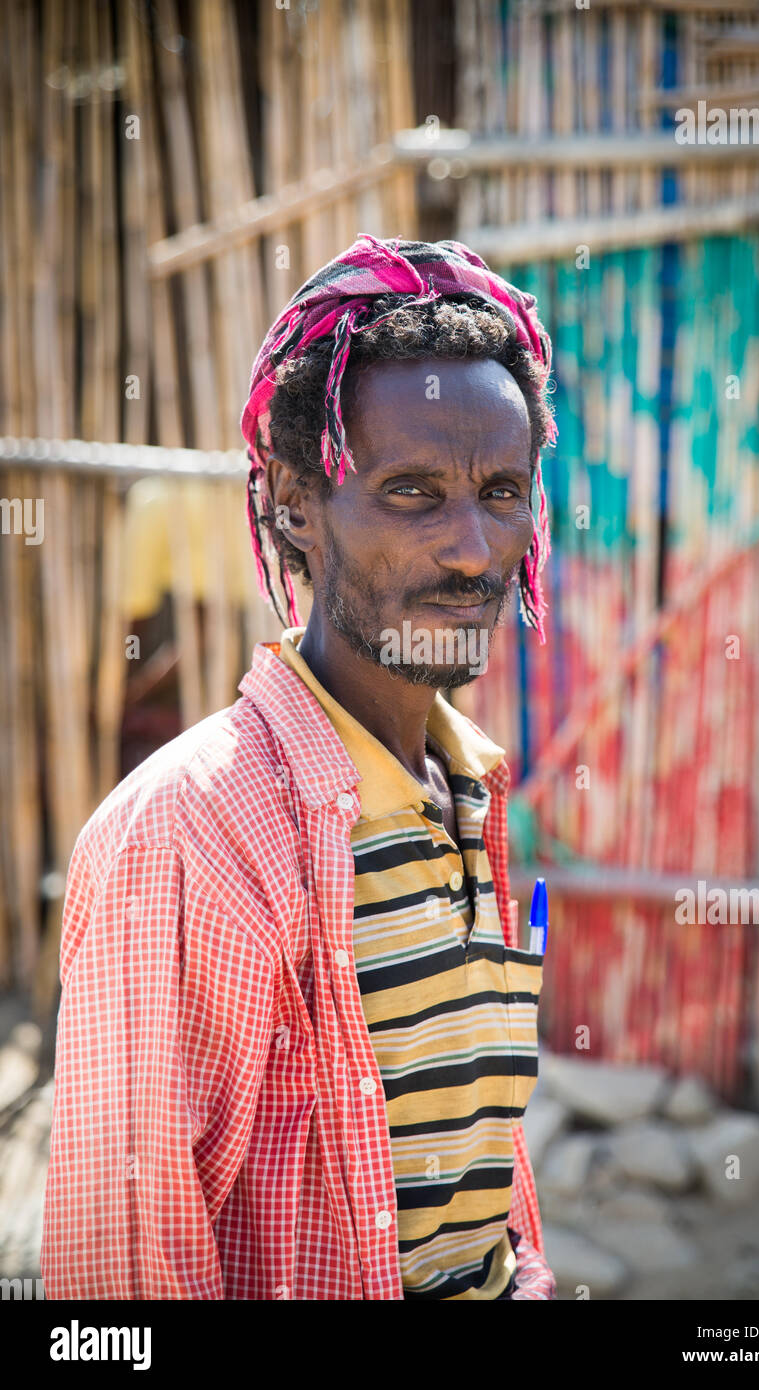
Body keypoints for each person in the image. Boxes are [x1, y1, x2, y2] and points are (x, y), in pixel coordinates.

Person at [41, 235, 558, 1300]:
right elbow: (123, 1285)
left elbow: (468, 1196)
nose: (472, 547)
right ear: (293, 504)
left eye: (502, 491)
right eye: (412, 492)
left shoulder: (467, 790)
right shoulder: (190, 834)